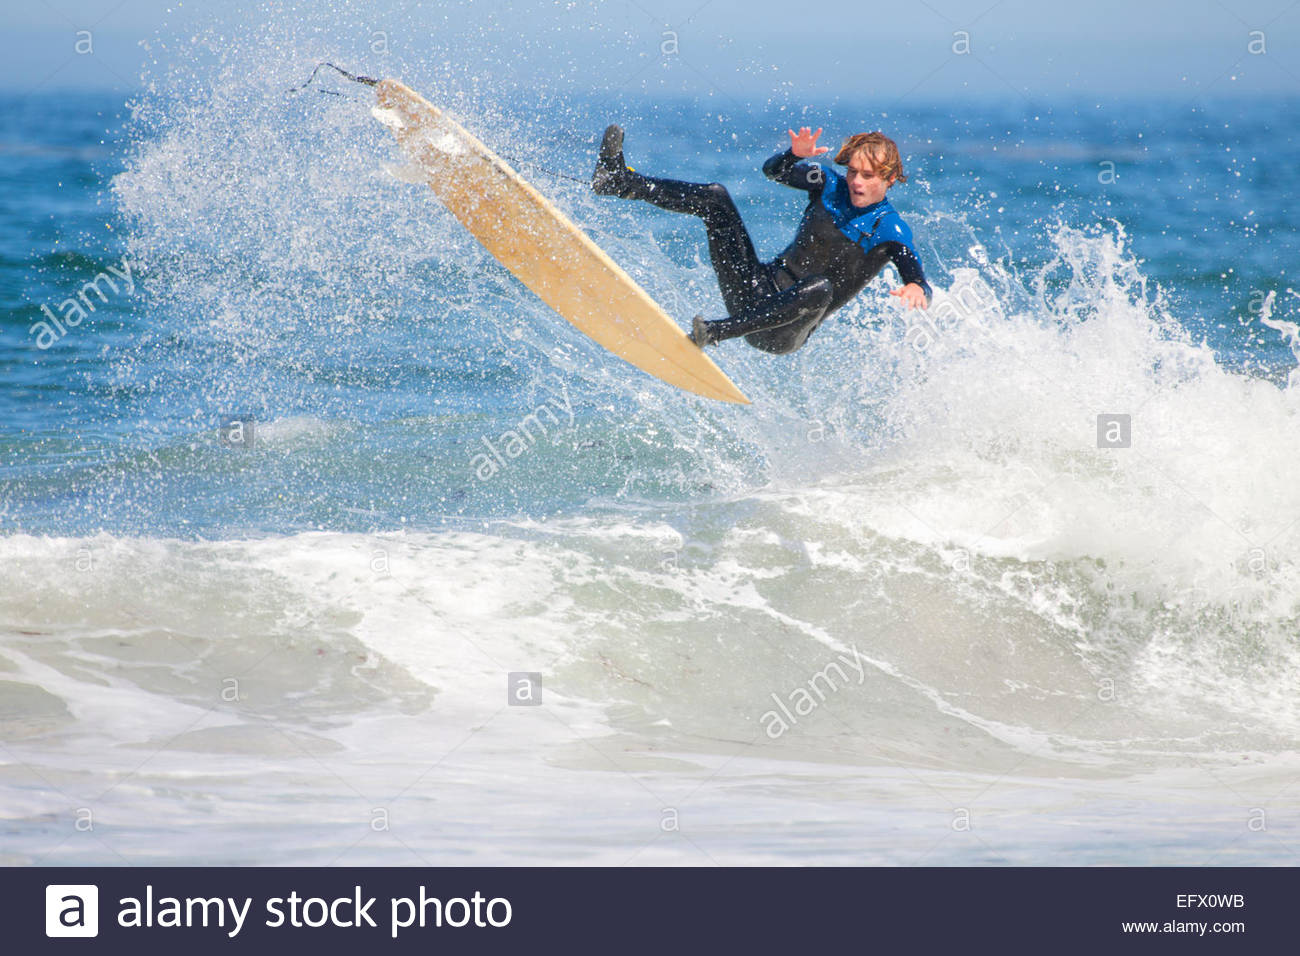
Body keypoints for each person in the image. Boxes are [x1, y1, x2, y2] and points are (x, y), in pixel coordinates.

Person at [592, 124, 931, 354]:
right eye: (853, 172)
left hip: (782, 331)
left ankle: (714, 333)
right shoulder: (828, 184)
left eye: (867, 176)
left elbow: (917, 279)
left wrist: (916, 287)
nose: (856, 181)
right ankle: (617, 182)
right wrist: (793, 155)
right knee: (715, 197)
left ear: (890, 179)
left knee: (821, 288)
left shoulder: (890, 230)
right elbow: (775, 172)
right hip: (755, 288)